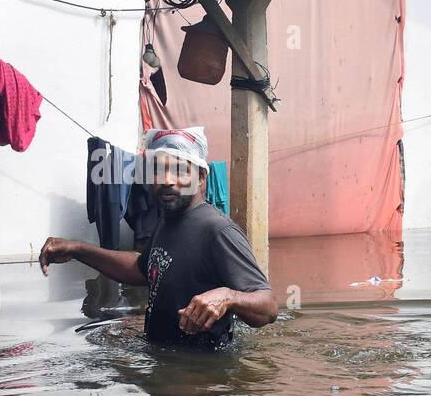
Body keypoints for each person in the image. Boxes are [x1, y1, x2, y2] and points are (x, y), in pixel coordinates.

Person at [40, 127, 278, 349]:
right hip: (162, 363)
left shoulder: (217, 230)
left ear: (201, 176)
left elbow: (268, 307)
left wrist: (228, 296)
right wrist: (78, 249)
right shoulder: (168, 221)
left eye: (179, 170)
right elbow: (143, 269)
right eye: (157, 170)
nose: (166, 180)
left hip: (202, 378)